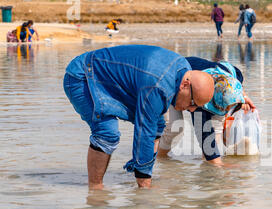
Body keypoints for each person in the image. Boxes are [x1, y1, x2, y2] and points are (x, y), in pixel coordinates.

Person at [63, 45, 215, 189]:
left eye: (197, 107)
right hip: (83, 77)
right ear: (185, 85)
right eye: (192, 103)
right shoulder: (158, 86)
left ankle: (141, 171)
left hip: (109, 80)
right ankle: (95, 192)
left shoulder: (184, 69)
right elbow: (144, 133)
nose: (192, 109)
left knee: (158, 126)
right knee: (107, 133)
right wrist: (144, 188)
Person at [158, 56, 256, 166]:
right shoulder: (199, 102)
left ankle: (208, 161)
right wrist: (219, 164)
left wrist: (242, 97)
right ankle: (159, 157)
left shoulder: (232, 76)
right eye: (224, 108)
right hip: (177, 82)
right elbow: (203, 134)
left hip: (214, 89)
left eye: (227, 108)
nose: (225, 112)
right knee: (176, 126)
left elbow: (235, 81)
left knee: (216, 127)